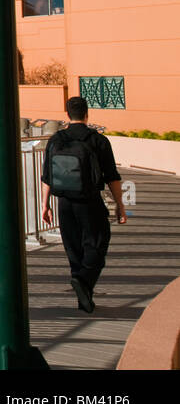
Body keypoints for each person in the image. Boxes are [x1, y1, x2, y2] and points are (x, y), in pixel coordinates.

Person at [40, 96, 126, 314]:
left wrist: (45, 204)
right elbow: (112, 176)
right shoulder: (98, 140)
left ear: (67, 115)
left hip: (64, 202)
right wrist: (120, 205)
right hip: (89, 201)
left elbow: (47, 176)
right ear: (87, 114)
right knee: (98, 242)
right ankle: (83, 280)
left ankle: (83, 299)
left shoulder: (56, 140)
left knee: (73, 248)